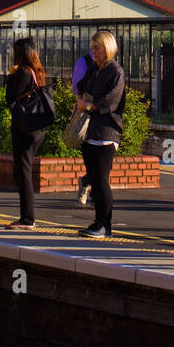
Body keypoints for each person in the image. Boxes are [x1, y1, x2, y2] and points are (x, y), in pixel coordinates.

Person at [74, 29, 126, 239]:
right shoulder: (95, 68)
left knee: (102, 179)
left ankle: (106, 224)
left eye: (97, 48)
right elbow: (80, 86)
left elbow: (110, 102)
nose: (93, 51)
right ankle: (97, 221)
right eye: (92, 47)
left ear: (108, 48)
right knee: (94, 179)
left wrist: (89, 105)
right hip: (90, 130)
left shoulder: (116, 71)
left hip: (106, 130)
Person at [4, 40, 48, 229]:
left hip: (25, 128)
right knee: (23, 170)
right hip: (36, 127)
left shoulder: (22, 72)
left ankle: (27, 218)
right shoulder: (37, 71)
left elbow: (10, 97)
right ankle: (26, 217)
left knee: (23, 172)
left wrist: (10, 75)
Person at [71, 47, 96, 206]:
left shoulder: (112, 67)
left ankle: (89, 183)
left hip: (104, 119)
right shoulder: (84, 62)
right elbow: (76, 88)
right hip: (87, 115)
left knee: (101, 158)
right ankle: (89, 184)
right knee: (89, 152)